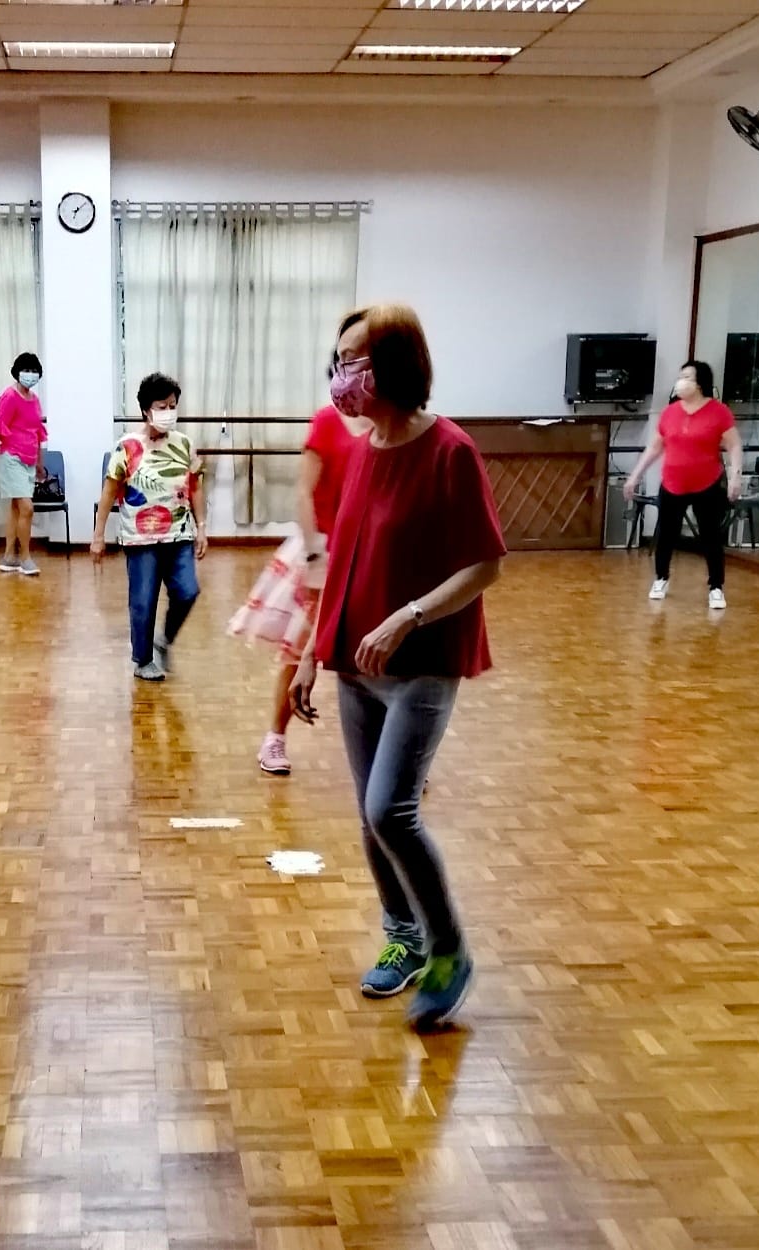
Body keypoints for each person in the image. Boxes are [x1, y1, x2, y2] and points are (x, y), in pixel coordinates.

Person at [289, 305, 505, 1033]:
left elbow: (484, 566)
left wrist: (408, 615)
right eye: (339, 358)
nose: (341, 374)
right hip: (356, 665)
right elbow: (343, 559)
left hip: (423, 664)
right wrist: (311, 655)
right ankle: (403, 936)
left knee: (392, 810)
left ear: (397, 364)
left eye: (356, 358)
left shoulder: (450, 450)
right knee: (366, 814)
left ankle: (449, 952)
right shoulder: (362, 451)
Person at [229, 358, 369, 776]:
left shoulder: (386, 427)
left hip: (366, 548)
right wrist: (313, 553)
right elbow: (304, 492)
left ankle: (387, 750)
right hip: (323, 546)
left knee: (368, 653)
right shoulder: (327, 422)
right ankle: (275, 737)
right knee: (299, 651)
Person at [91, 372, 208, 681]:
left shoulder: (184, 444)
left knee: (187, 591)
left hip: (179, 534)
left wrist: (203, 527)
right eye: (162, 405)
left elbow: (195, 486)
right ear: (146, 409)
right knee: (142, 602)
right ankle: (143, 660)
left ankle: (164, 639)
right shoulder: (126, 446)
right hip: (139, 539)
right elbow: (108, 491)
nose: (168, 412)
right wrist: (98, 535)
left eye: (173, 405)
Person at [623, 360, 742, 610]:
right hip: (673, 483)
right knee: (666, 534)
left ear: (699, 383)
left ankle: (716, 587)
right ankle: (661, 578)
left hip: (706, 483)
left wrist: (735, 477)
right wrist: (635, 476)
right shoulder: (670, 412)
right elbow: (655, 447)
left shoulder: (719, 412)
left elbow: (734, 445)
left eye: (686, 376)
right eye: (680, 376)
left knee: (710, 536)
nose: (681, 381)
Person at [0, 352, 48, 576]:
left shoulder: (35, 401)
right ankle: (25, 557)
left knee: (17, 509)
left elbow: (37, 432)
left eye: (34, 371)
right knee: (27, 507)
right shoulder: (9, 396)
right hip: (11, 458)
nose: (30, 375)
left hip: (28, 459)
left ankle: (9, 557)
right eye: (26, 370)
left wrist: (39, 462)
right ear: (17, 372)